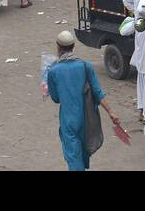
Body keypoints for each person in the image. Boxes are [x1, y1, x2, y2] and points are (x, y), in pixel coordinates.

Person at [46, 30, 123, 170]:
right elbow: (97, 92)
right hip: (87, 118)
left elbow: (56, 98)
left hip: (68, 120)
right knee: (83, 151)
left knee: (73, 157)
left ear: (58, 47)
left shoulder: (53, 71)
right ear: (74, 46)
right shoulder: (85, 66)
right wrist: (111, 112)